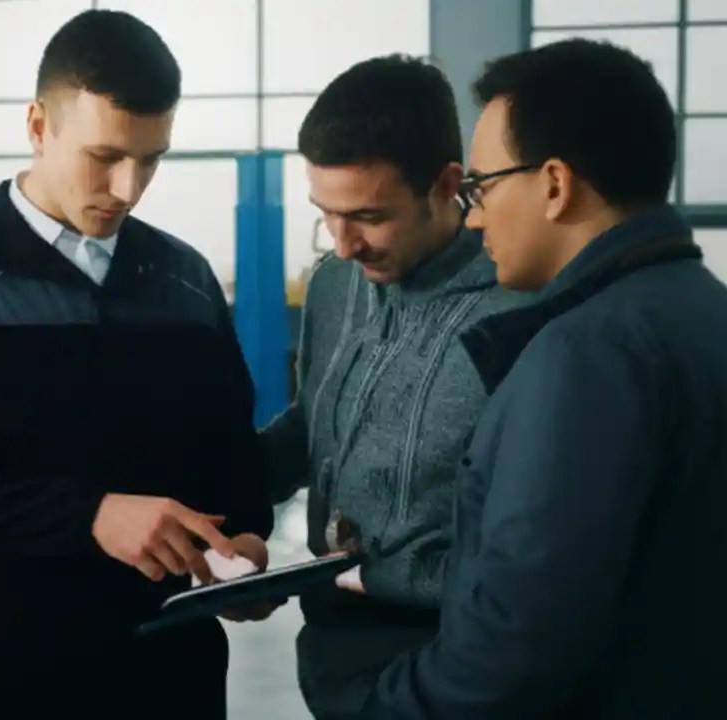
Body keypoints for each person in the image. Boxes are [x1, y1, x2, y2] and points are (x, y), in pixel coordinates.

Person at [0, 10, 273, 720]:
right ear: (37, 126)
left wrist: (244, 545)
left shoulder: (186, 280)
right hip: (11, 673)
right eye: (104, 156)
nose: (128, 188)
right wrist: (90, 516)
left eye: (151, 160)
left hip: (174, 673)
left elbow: (230, 454)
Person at [361, 38, 727, 719]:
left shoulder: (588, 354)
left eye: (482, 187)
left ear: (555, 185)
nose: (474, 215)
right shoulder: (702, 309)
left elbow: (515, 645)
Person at [259, 55, 528, 718]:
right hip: (331, 654)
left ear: (446, 186)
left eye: (369, 217)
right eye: (327, 215)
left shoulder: (519, 307)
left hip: (453, 665)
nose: (344, 245)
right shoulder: (334, 284)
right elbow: (313, 423)